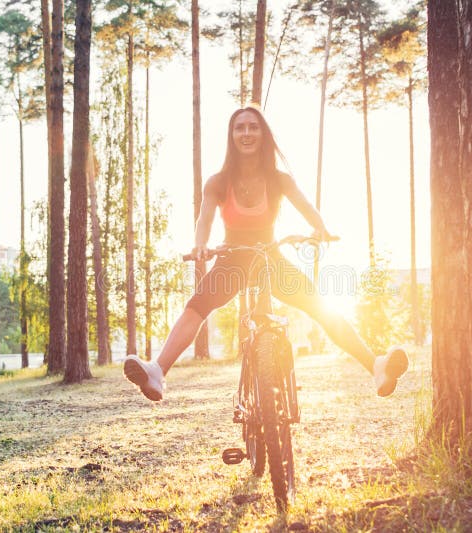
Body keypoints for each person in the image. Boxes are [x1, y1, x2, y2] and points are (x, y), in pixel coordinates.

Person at [123, 105, 408, 401]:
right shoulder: (218, 182)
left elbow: (305, 206)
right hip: (231, 259)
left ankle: (376, 365)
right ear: (231, 136)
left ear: (263, 134)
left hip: (270, 258)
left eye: (253, 127)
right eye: (240, 127)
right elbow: (204, 219)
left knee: (319, 305)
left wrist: (320, 229)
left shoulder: (279, 179)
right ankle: (157, 371)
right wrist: (200, 245)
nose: (246, 133)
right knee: (196, 307)